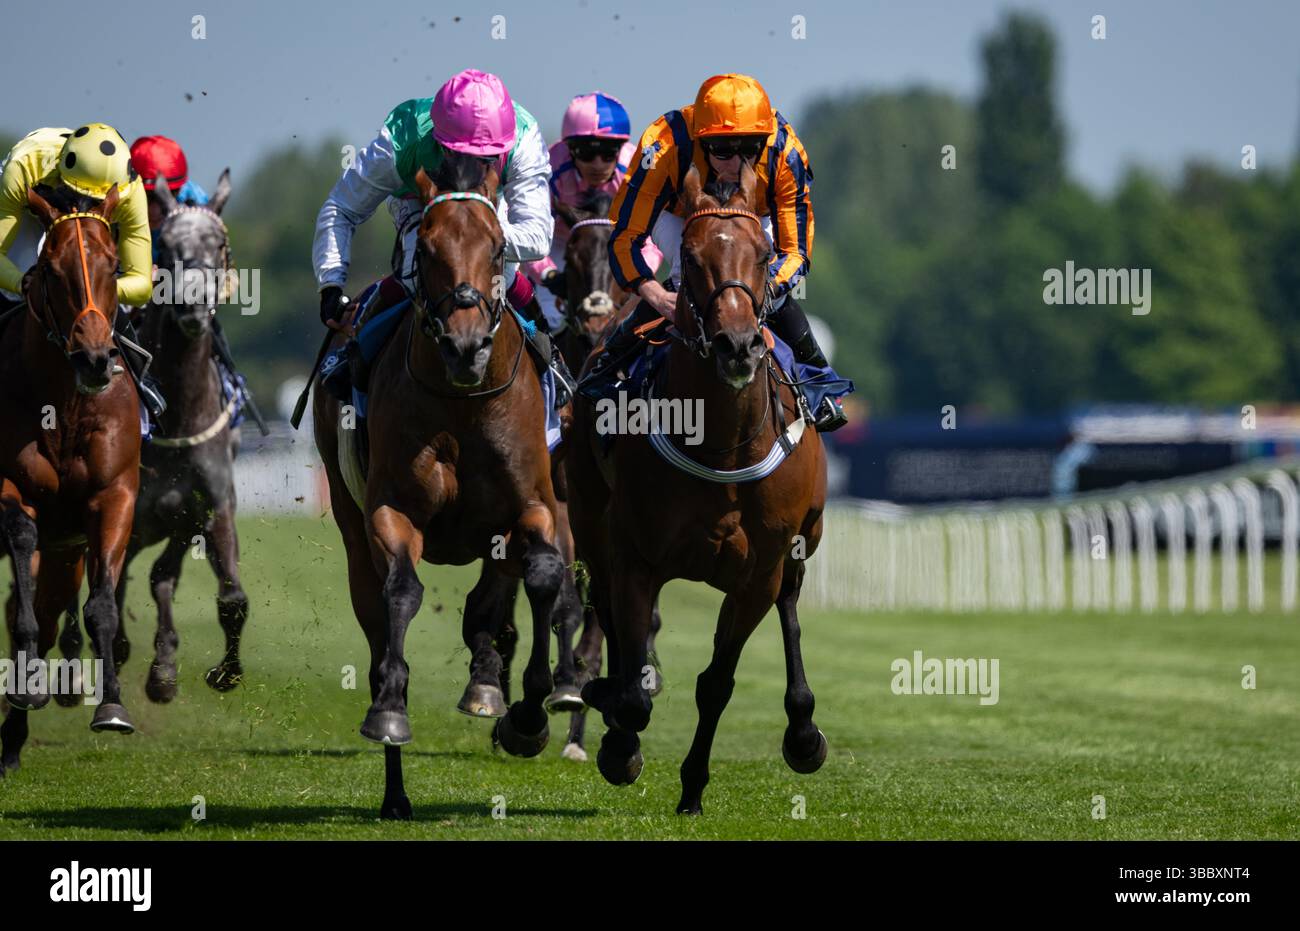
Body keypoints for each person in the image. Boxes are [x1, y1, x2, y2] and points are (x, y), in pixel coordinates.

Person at [581, 73, 848, 431]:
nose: (737, 164)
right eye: (722, 149)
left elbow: (796, 252)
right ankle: (606, 369)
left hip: (755, 216)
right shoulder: (662, 147)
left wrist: (758, 287)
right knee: (685, 274)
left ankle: (819, 379)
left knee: (753, 271)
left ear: (764, 141)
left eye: (749, 149)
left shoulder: (785, 152)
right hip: (678, 213)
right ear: (700, 140)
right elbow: (624, 237)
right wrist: (654, 293)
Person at [312, 69, 562, 391]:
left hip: (487, 206)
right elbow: (341, 207)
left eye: (485, 159)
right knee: (414, 269)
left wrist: (473, 239)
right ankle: (355, 353)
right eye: (459, 157)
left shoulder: (523, 137)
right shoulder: (402, 138)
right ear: (438, 142)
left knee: (504, 273)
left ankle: (549, 354)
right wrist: (331, 283)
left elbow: (537, 238)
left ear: (502, 148)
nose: (470, 170)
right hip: (418, 200)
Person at [0, 124, 164, 417]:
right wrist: (21, 282)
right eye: (75, 194)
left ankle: (143, 384)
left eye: (95, 202)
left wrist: (94, 285)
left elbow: (141, 286)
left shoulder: (128, 189)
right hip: (26, 211)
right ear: (63, 176)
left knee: (94, 282)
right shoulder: (24, 168)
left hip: (84, 218)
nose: (81, 205)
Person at [522, 92, 661, 330]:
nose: (598, 164)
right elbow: (530, 231)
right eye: (586, 153)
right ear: (570, 150)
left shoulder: (634, 169)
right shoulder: (547, 167)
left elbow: (651, 241)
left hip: (618, 243)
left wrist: (635, 274)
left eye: (608, 154)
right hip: (557, 241)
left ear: (621, 149)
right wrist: (548, 275)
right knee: (551, 316)